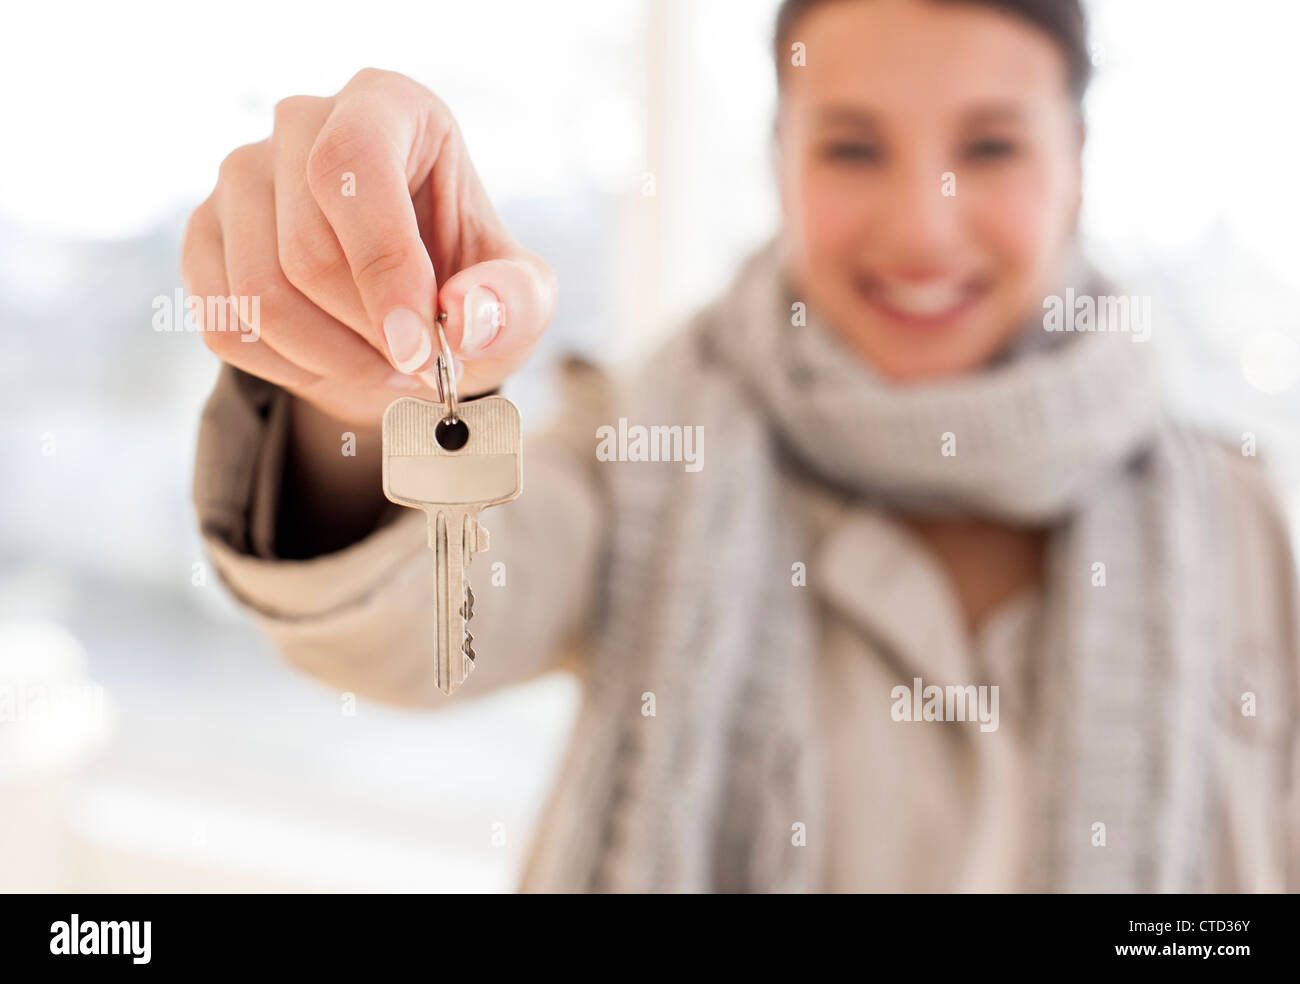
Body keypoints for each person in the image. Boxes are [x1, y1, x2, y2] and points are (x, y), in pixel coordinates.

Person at [184, 0, 1299, 892]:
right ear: (780, 158)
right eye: (852, 147)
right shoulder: (642, 447)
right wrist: (358, 393)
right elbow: (426, 628)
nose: (921, 222)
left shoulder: (1241, 520)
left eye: (992, 147)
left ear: (1079, 160)